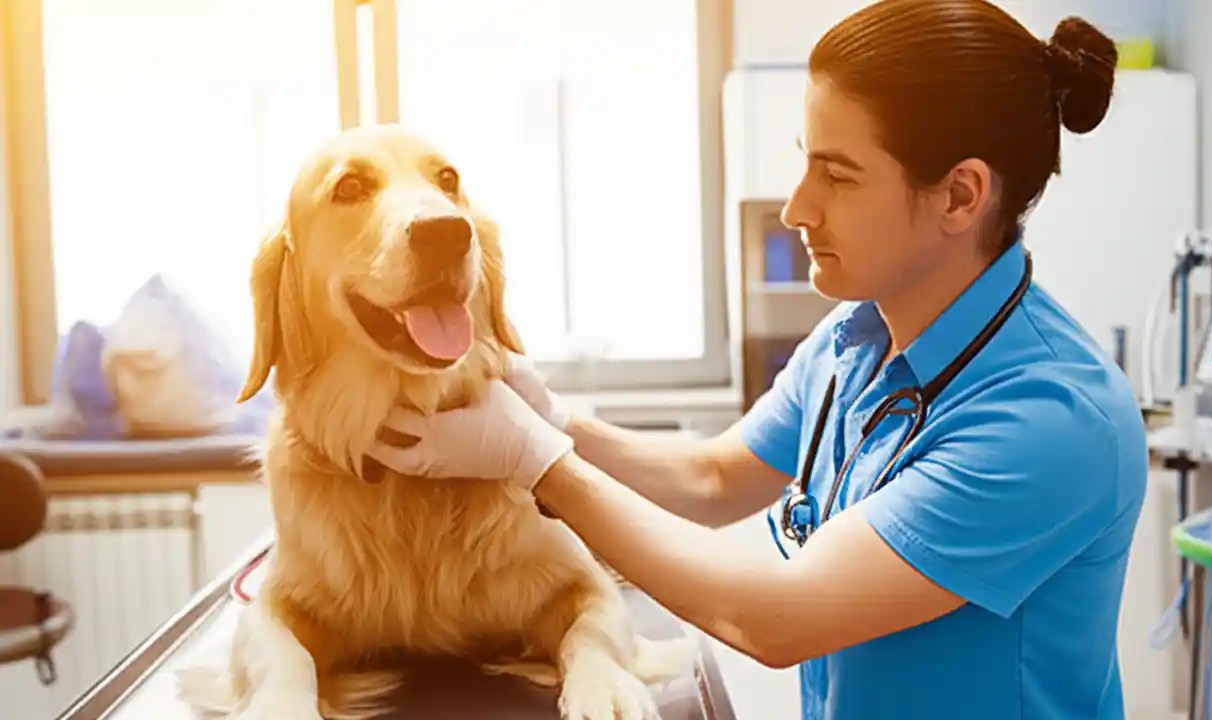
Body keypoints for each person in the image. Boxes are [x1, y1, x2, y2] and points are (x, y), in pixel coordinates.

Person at [368, 1, 1150, 717]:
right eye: (806, 162)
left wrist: (541, 464)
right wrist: (560, 424)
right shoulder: (855, 340)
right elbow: (714, 479)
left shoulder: (1051, 420)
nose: (796, 207)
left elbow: (776, 619)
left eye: (837, 175)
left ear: (959, 196)